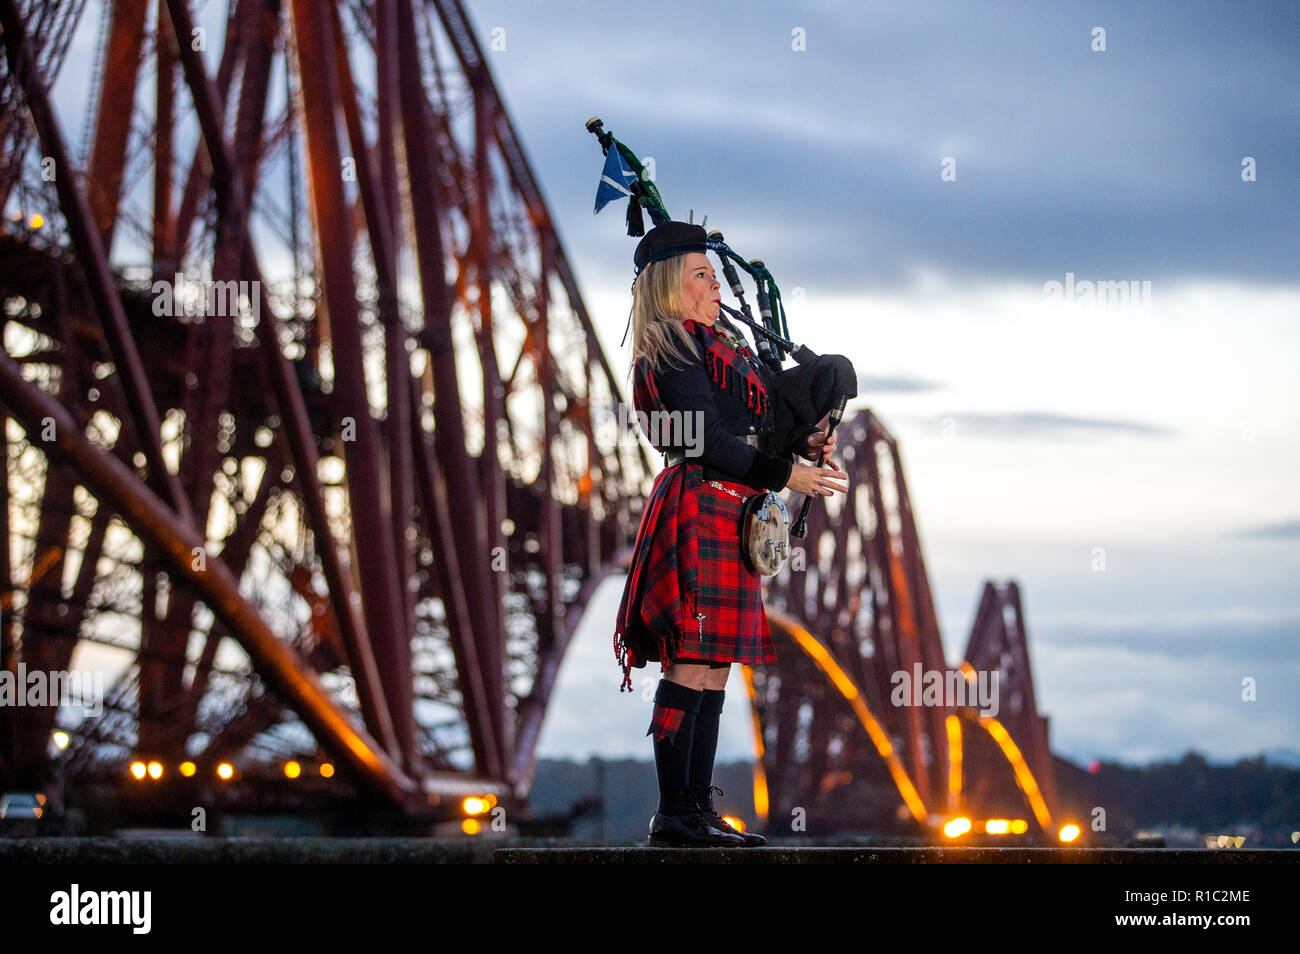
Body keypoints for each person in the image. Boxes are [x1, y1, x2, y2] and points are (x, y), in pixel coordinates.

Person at [613, 221, 849, 847]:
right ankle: (674, 815)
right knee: (689, 662)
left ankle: (697, 808)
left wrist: (804, 439)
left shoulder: (725, 352)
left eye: (713, 273)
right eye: (700, 273)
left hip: (734, 511)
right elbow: (702, 442)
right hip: (697, 508)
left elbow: (752, 432)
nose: (714, 282)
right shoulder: (668, 352)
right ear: (669, 286)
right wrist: (788, 472)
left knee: (714, 667)